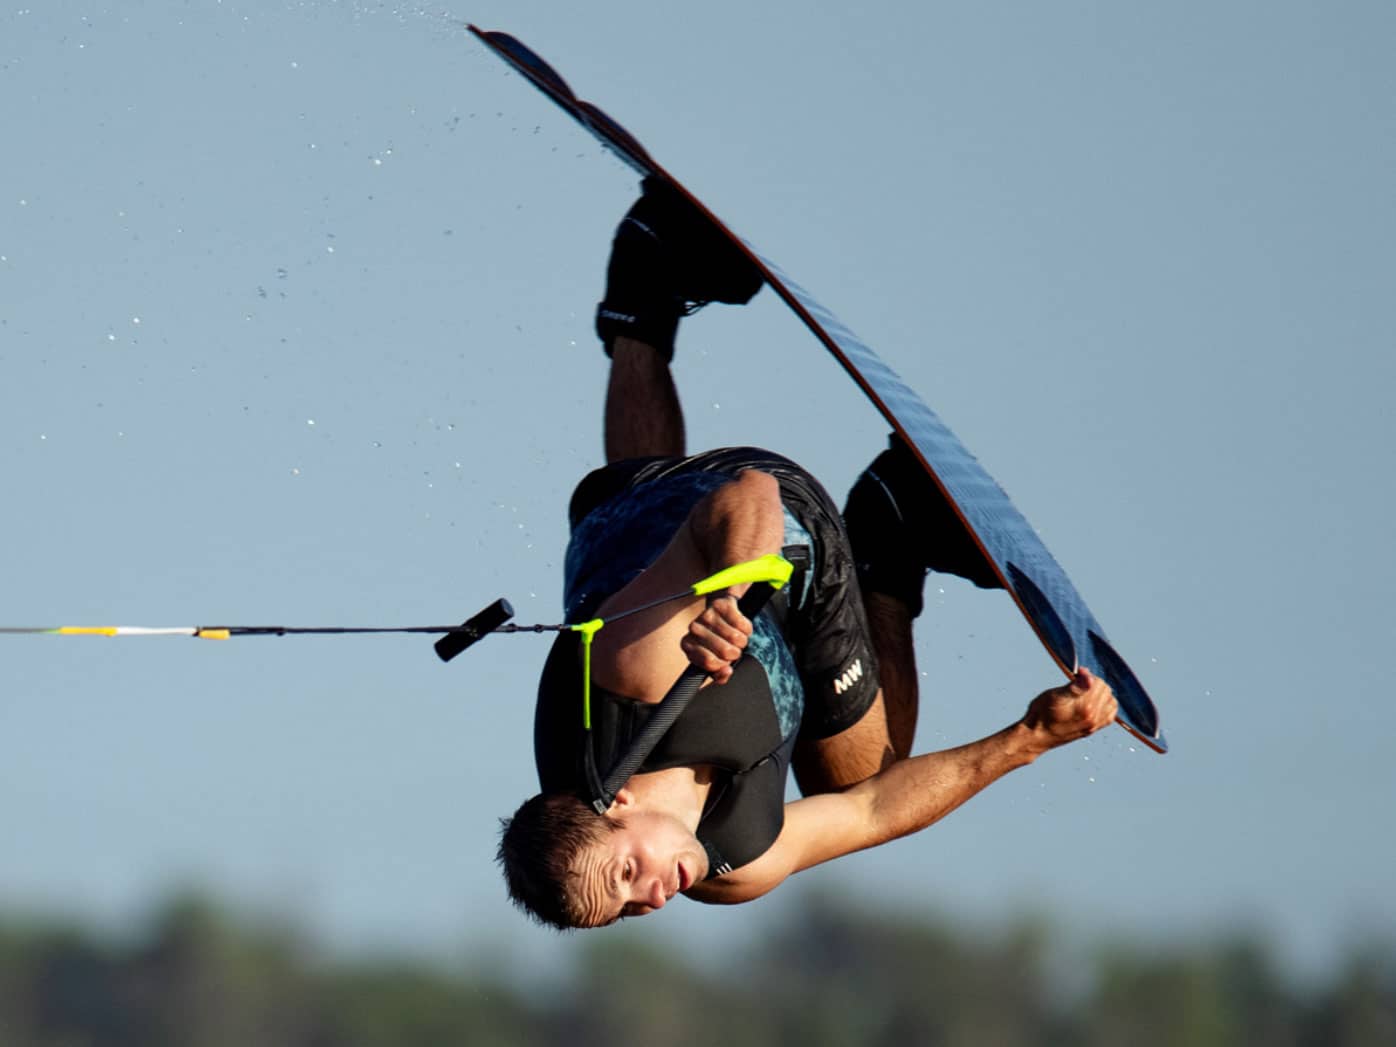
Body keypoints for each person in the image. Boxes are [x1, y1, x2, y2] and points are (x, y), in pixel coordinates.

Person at [498, 180, 1118, 929]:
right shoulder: (734, 868)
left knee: (858, 750)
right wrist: (1030, 739)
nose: (657, 893)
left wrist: (728, 597)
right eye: (631, 908)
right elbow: (869, 812)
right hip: (626, 529)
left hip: (765, 526)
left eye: (629, 870)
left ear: (615, 801)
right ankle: (650, 300)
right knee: (855, 780)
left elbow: (744, 491)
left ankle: (886, 534)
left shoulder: (634, 670)